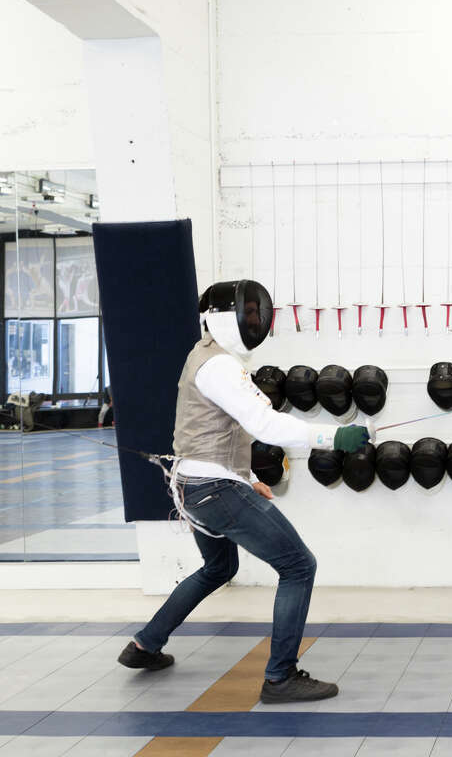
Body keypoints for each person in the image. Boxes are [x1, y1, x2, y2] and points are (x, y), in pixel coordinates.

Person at [116, 279, 370, 705]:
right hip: (213, 489)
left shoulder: (209, 358)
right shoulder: (219, 366)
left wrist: (248, 473)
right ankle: (280, 677)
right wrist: (335, 437)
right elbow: (265, 425)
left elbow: (221, 427)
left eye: (257, 312)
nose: (254, 320)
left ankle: (144, 645)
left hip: (198, 485)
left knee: (218, 569)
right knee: (298, 565)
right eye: (247, 312)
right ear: (221, 317)